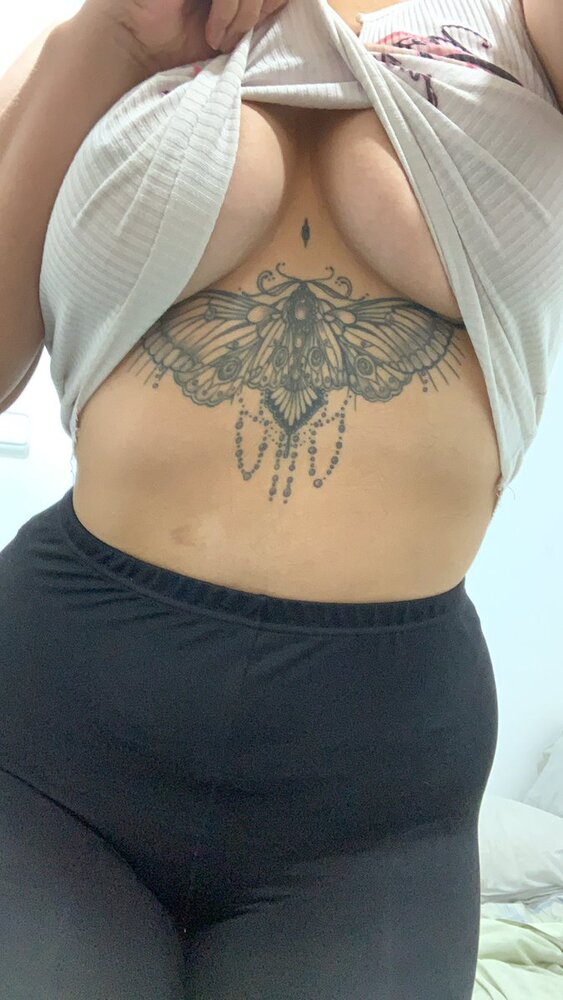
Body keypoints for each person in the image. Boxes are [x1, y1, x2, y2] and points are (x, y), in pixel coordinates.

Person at [3, 0, 560, 995]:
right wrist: (112, 37)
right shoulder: (101, 33)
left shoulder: (517, 30)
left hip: (370, 789)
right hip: (58, 727)